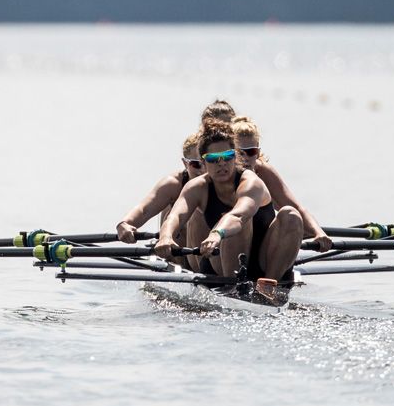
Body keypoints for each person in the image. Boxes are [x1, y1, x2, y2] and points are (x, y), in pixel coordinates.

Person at [154, 118, 303, 287]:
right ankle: (232, 287)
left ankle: (269, 285)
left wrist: (217, 234)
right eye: (213, 159)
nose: (222, 163)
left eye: (227, 156)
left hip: (263, 261)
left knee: (291, 215)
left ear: (235, 156)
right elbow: (175, 216)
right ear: (203, 162)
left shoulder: (251, 182)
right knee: (231, 227)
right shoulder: (196, 187)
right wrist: (165, 237)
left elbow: (238, 216)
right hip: (222, 265)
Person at [231, 116, 332, 253]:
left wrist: (318, 232)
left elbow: (296, 207)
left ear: (258, 152)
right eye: (239, 153)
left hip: (263, 249)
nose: (245, 158)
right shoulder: (221, 173)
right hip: (229, 248)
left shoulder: (263, 171)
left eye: (251, 152)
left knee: (290, 214)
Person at [116, 131, 206, 267]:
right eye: (196, 164)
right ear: (185, 163)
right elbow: (144, 209)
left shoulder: (226, 181)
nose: (203, 170)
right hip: (183, 257)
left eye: (207, 162)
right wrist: (124, 224)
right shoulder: (173, 184)